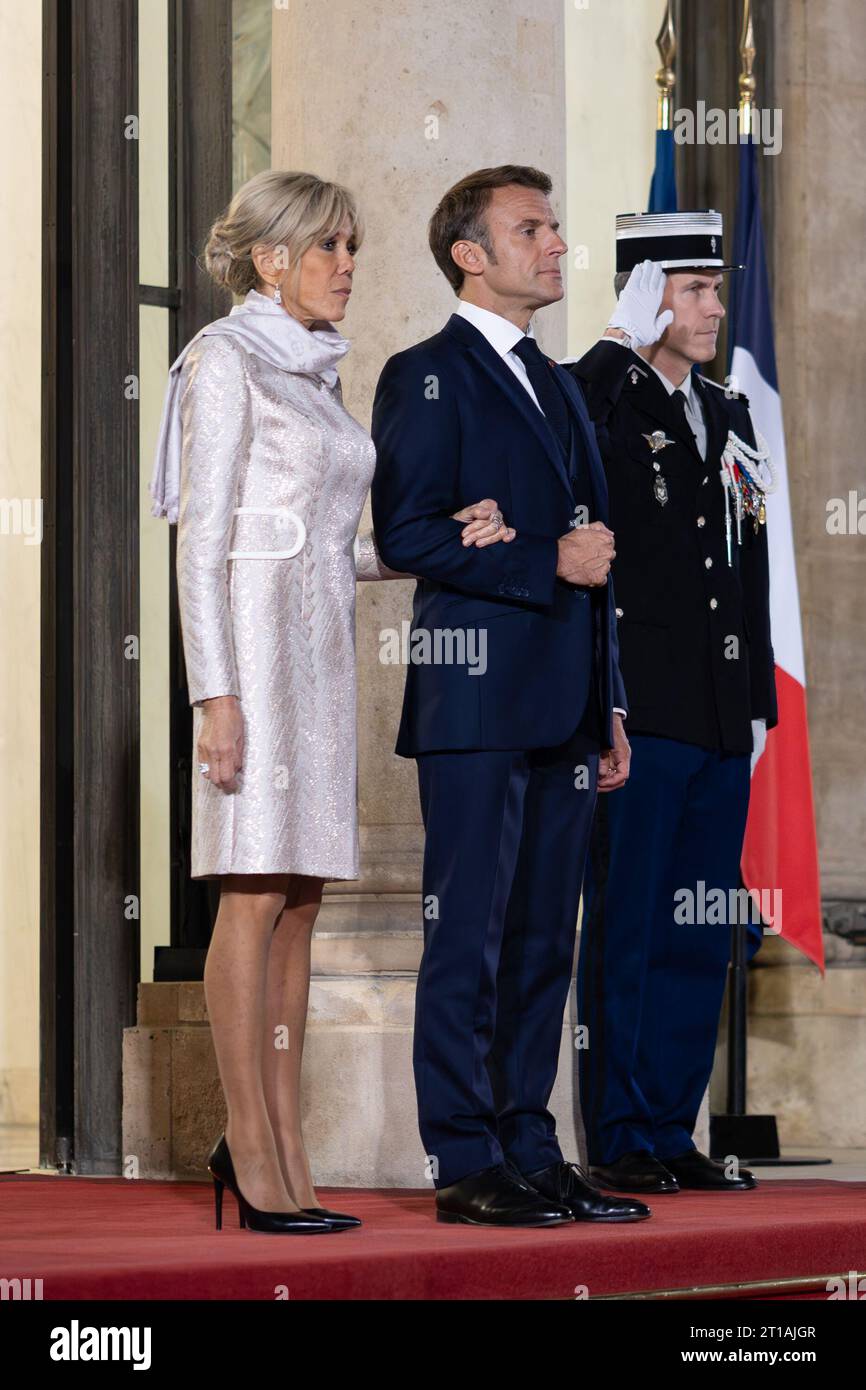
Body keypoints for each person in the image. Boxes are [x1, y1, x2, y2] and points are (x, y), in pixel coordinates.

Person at [148, 169, 512, 1234]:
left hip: (316, 665)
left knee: (301, 902)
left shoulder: (312, 371)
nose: (349, 267)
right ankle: (249, 1142)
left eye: (352, 247)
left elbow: (326, 544)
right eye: (329, 249)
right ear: (271, 260)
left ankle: (284, 1138)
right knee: (251, 894)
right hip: (250, 670)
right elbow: (201, 544)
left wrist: (446, 540)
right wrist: (214, 696)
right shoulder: (225, 361)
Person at [371, 165, 650, 1228]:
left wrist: (609, 700)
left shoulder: (560, 382)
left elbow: (600, 557)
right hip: (474, 702)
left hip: (567, 701)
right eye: (530, 229)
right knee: (469, 935)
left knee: (544, 938)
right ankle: (464, 1158)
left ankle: (530, 1145)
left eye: (554, 228)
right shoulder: (421, 373)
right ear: (468, 254)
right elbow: (406, 531)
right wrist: (539, 557)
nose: (555, 246)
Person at [562, 212, 777, 1195]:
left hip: (715, 706)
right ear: (644, 294)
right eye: (691, 289)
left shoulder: (727, 411)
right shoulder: (604, 398)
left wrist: (754, 695)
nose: (713, 307)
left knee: (697, 926)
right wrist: (613, 341)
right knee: (632, 921)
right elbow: (562, 432)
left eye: (714, 289)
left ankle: (669, 1125)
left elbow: (744, 558)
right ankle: (618, 1133)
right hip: (638, 707)